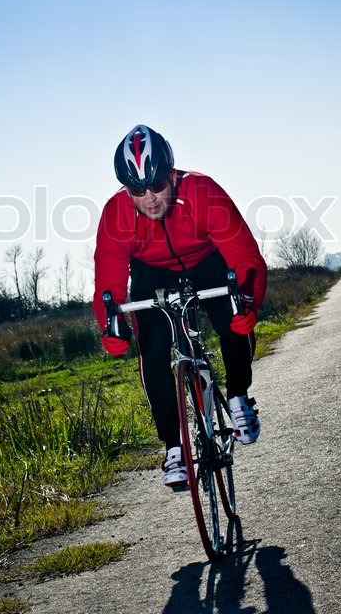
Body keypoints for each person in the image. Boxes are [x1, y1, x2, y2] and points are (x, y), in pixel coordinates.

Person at [92, 124, 267, 487]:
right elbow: (108, 285)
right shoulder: (116, 214)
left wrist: (248, 301)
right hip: (151, 272)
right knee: (152, 348)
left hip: (207, 259)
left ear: (172, 174)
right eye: (138, 190)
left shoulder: (203, 191)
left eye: (157, 185)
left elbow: (245, 257)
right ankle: (174, 446)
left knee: (233, 314)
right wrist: (111, 326)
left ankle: (238, 397)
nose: (150, 197)